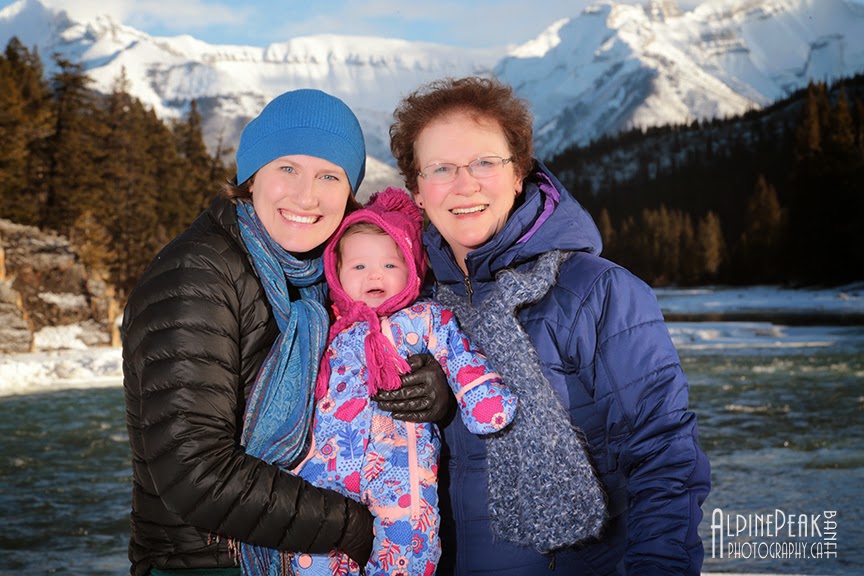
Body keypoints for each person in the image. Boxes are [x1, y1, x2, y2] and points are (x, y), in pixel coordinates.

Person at [381, 75, 712, 575]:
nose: (465, 184)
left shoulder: (596, 292)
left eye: (485, 163)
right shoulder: (410, 305)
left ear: (519, 174)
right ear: (418, 192)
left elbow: (664, 457)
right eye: (441, 168)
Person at [122, 88, 450, 576]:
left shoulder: (329, 279)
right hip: (213, 563)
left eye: (328, 176)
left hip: (298, 556)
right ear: (252, 177)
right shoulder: (196, 275)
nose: (305, 196)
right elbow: (193, 471)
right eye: (287, 169)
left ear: (348, 194)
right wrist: (352, 529)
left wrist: (432, 393)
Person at [288, 187, 517, 576]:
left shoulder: (427, 319)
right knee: (314, 553)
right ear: (336, 273)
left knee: (408, 548)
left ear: (412, 270)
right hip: (326, 470)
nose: (375, 275)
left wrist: (480, 395)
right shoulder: (325, 329)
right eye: (359, 267)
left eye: (390, 266)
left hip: (400, 469)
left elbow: (460, 357)